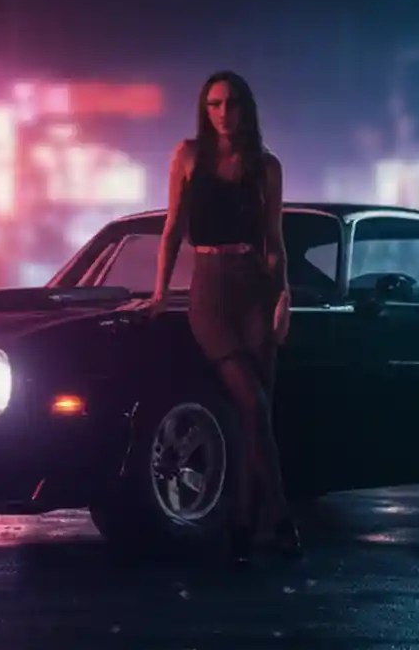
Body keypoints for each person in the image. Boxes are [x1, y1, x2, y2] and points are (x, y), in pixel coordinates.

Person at [144, 70, 301, 565]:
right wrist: (159, 293)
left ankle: (240, 528)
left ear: (245, 107)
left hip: (255, 287)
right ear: (204, 109)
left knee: (261, 417)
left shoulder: (266, 165)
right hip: (209, 292)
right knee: (252, 407)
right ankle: (281, 521)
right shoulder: (187, 156)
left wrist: (283, 299)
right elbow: (171, 231)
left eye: (231, 103)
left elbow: (275, 243)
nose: (223, 112)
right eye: (214, 103)